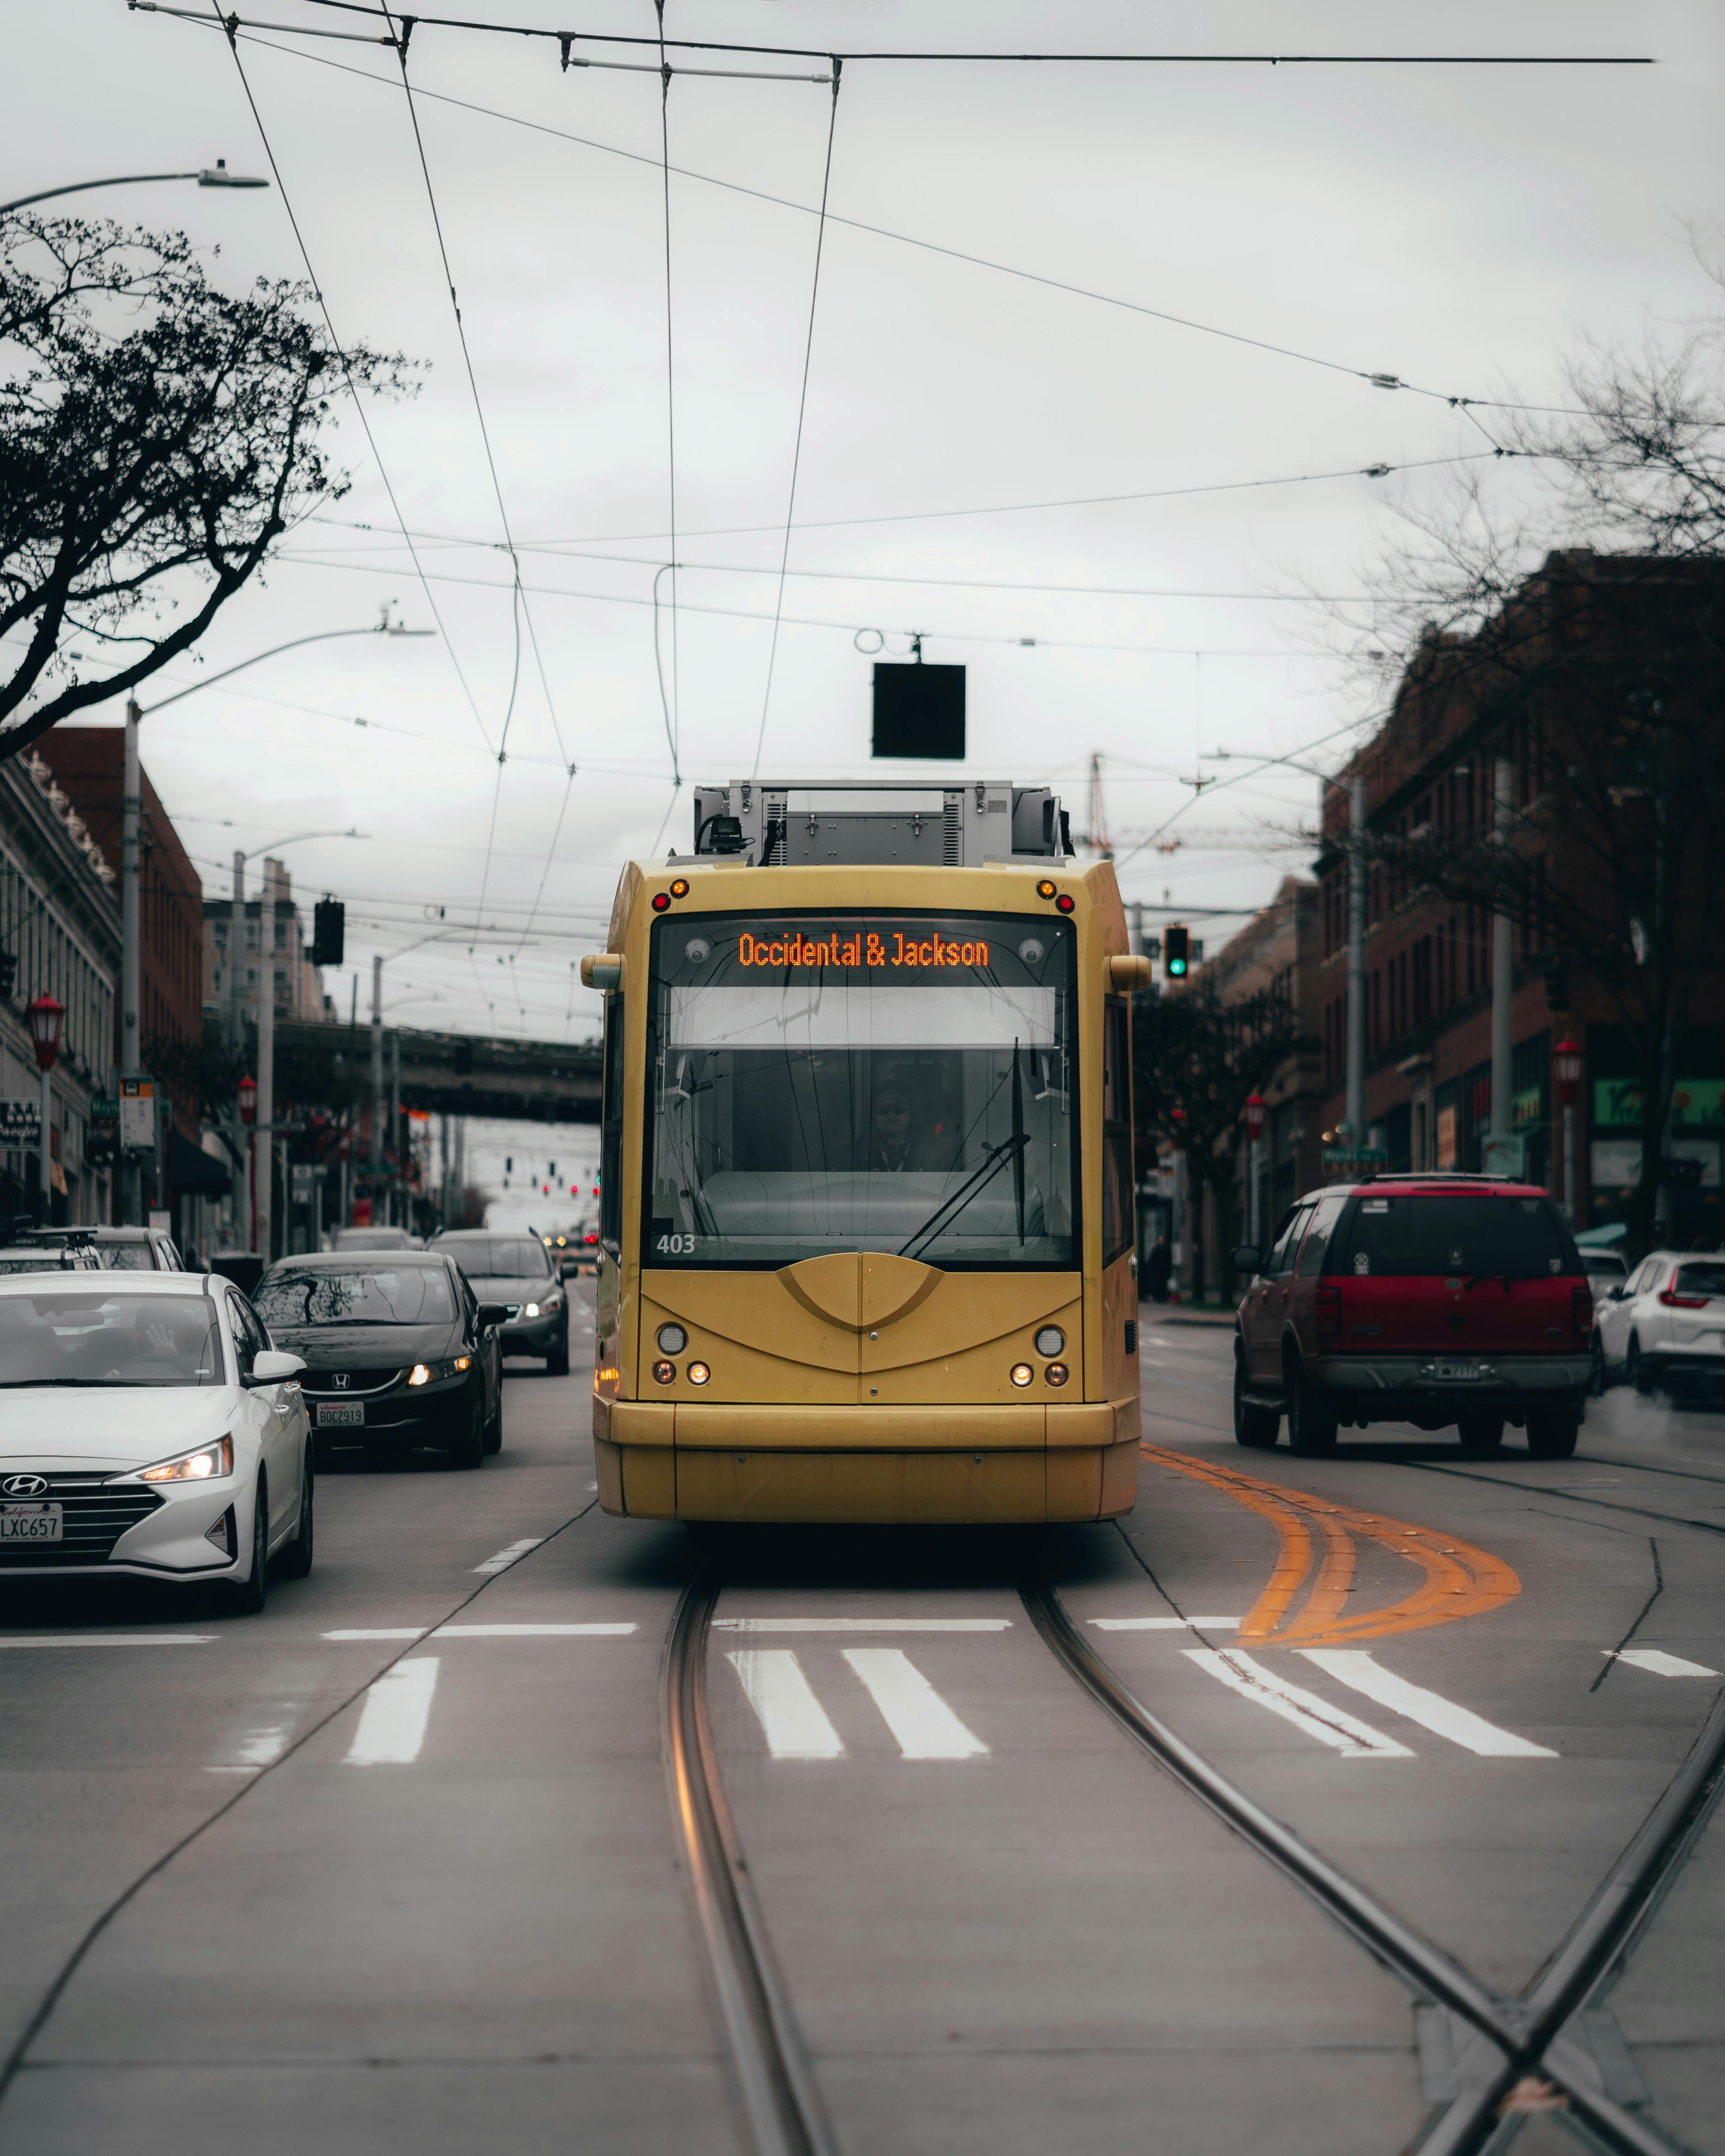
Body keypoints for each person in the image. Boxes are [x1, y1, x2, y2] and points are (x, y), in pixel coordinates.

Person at [1146, 1232, 1172, 1304]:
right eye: (1161, 1239)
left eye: (1163, 1239)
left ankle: (1162, 1298)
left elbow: (1169, 1261)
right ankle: (1158, 1297)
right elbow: (1152, 1260)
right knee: (1157, 1284)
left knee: (1163, 1285)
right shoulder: (1156, 1249)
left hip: (1163, 1271)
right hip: (1157, 1271)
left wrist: (1169, 1271)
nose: (1162, 1241)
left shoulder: (1167, 1249)